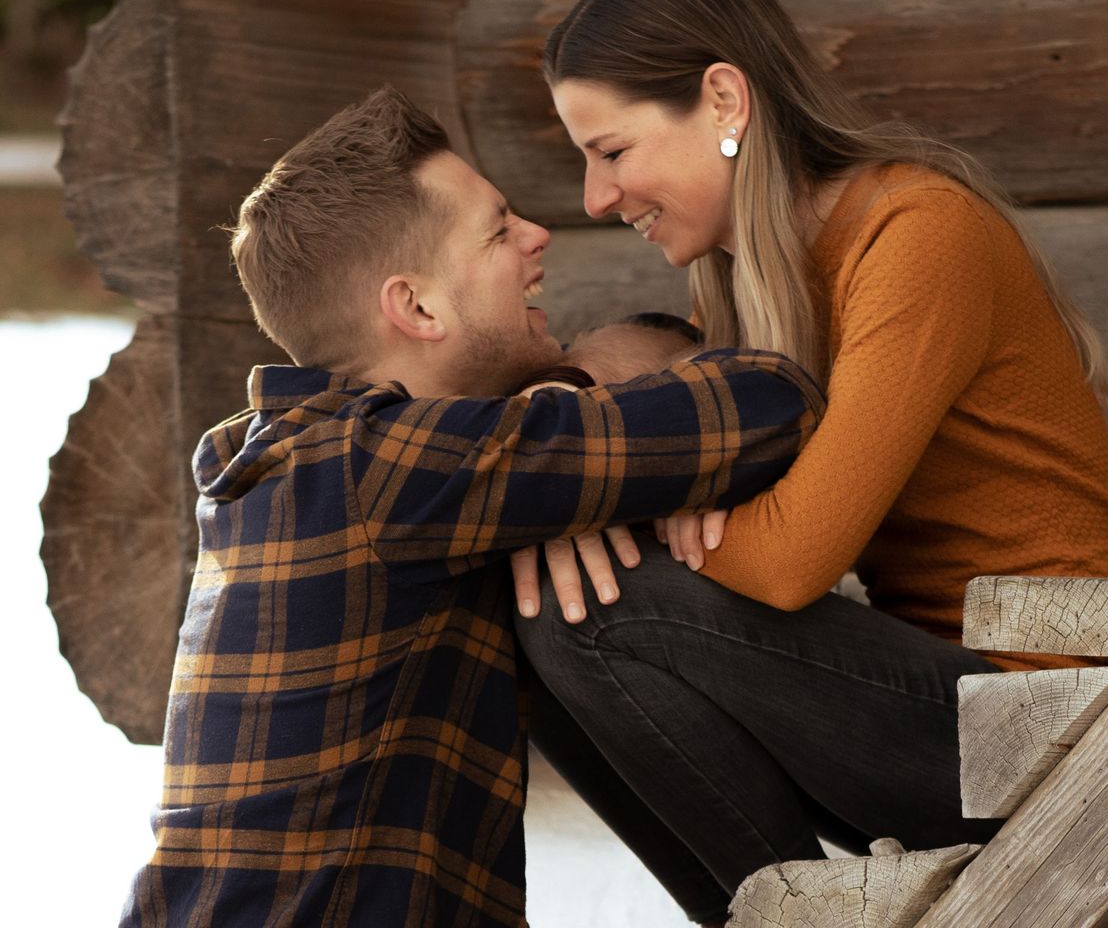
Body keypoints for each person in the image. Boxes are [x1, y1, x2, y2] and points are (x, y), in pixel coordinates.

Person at [510, 0, 1108, 927]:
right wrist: (618, 490)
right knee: (545, 593)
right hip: (932, 714)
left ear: (724, 101)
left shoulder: (918, 231)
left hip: (1064, 719)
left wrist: (655, 515)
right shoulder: (747, 277)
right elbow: (659, 435)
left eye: (612, 151)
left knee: (592, 602)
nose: (597, 199)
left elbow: (790, 560)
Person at [118, 85, 825, 928]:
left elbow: (667, 348)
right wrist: (567, 420)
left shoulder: (298, 463)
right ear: (415, 306)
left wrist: (564, 388)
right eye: (498, 230)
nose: (537, 237)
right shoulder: (383, 471)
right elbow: (770, 401)